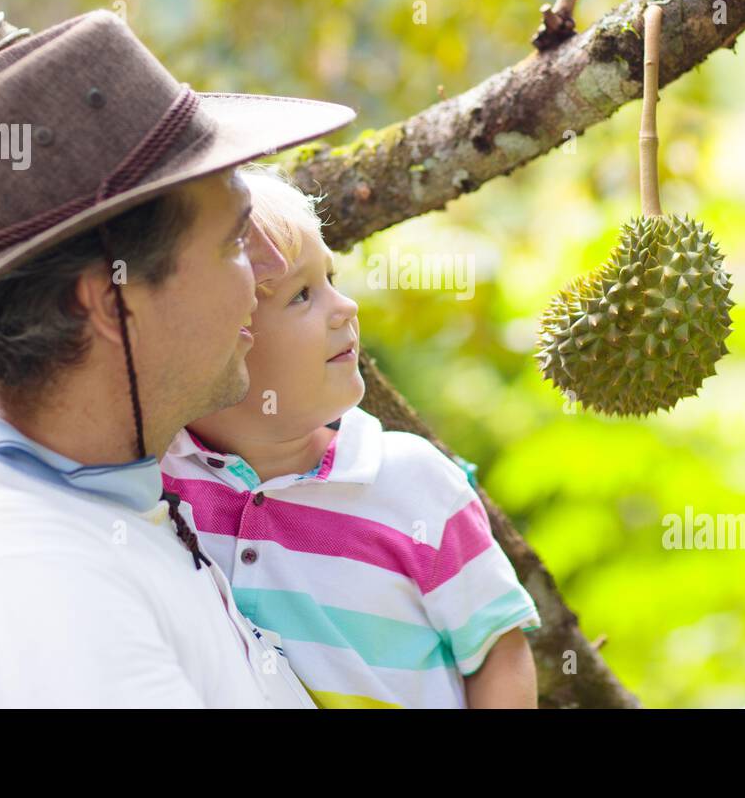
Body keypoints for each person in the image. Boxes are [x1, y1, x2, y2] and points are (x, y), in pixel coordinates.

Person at [0, 9, 356, 706]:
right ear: (108, 302)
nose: (260, 277)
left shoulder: (91, 509)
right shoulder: (31, 583)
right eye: (234, 242)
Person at [159, 164, 541, 708]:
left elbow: (498, 652)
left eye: (331, 280)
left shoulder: (414, 484)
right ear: (218, 339)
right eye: (301, 296)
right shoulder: (161, 472)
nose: (346, 308)